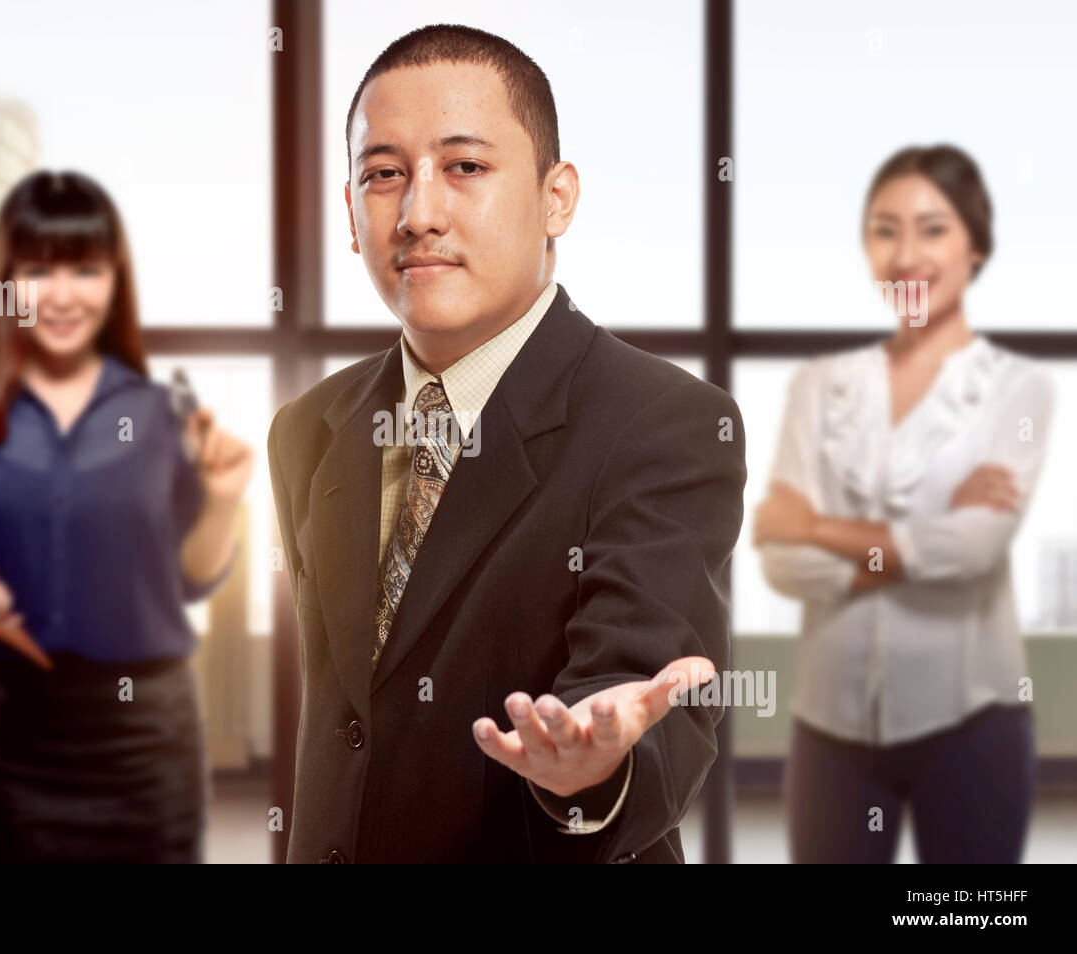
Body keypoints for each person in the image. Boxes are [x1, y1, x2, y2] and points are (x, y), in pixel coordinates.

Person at [267, 24, 746, 863]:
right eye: (383, 176)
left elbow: (645, 692)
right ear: (350, 212)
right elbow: (347, 723)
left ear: (556, 197)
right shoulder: (307, 427)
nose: (419, 213)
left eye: (465, 167)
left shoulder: (664, 422)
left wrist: (593, 769)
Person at [0, 170, 252, 863]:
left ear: (114, 282)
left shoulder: (161, 416)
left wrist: (221, 501)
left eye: (87, 270)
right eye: (38, 271)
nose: (63, 296)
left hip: (146, 739)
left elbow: (192, 581)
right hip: (10, 734)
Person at [754, 145, 1053, 863]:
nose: (906, 253)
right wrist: (922, 533)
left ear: (976, 246)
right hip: (830, 727)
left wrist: (819, 526)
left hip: (973, 725)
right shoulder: (819, 387)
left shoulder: (1018, 388)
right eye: (885, 229)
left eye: (933, 228)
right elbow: (782, 562)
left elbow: (975, 548)